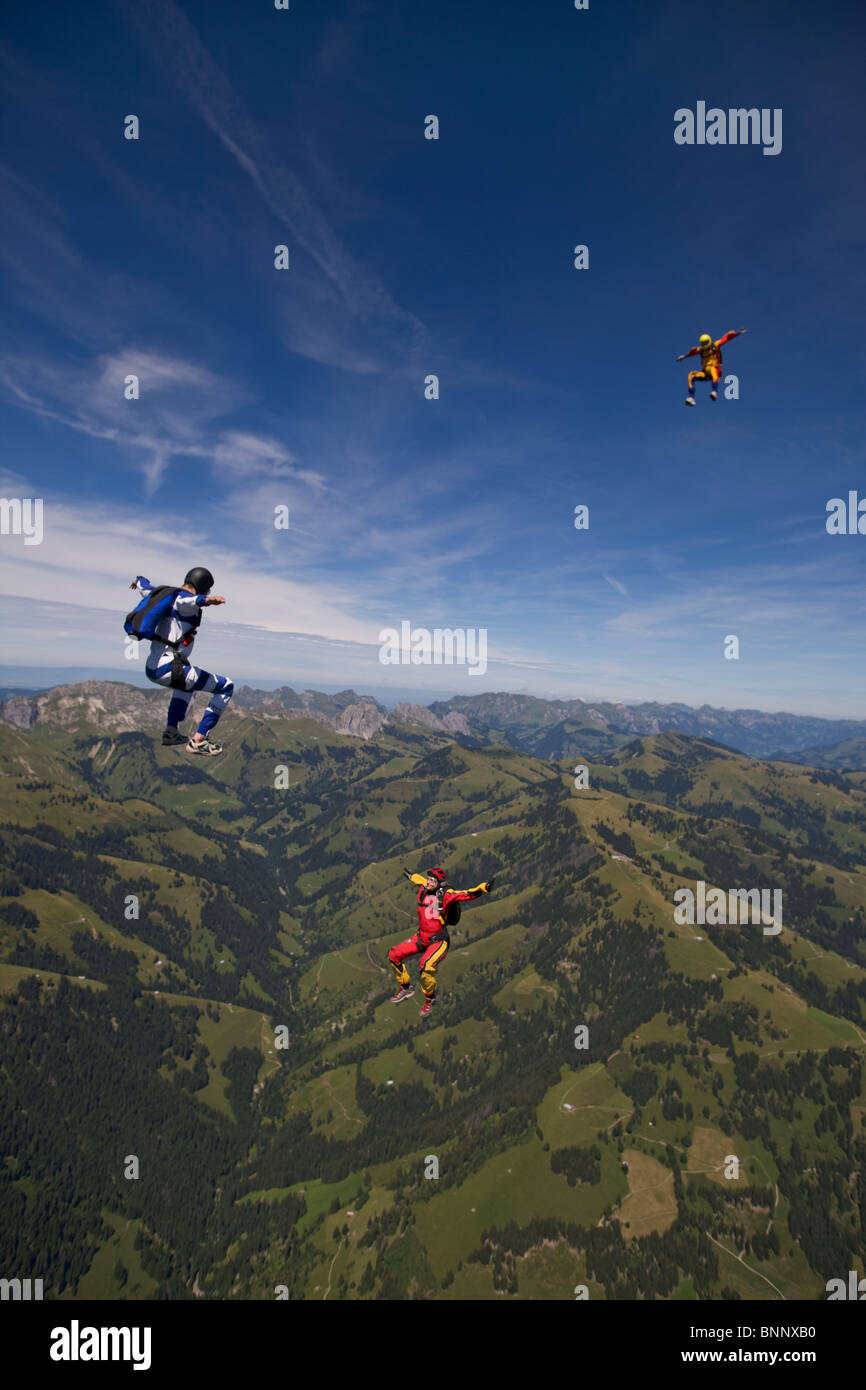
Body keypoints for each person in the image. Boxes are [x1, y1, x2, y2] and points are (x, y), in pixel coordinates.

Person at [129, 567, 233, 755]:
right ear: (202, 587)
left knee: (188, 683)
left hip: (154, 667)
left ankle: (171, 731)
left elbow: (144, 586)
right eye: (207, 590)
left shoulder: (162, 595)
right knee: (226, 686)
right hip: (169, 667)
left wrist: (138, 580)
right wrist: (207, 601)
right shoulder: (184, 602)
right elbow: (190, 600)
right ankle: (199, 739)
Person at [389, 866, 496, 1018]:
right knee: (394, 955)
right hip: (422, 938)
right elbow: (418, 880)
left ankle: (429, 1000)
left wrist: (484, 888)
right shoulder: (424, 887)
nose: (429, 882)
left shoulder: (445, 895)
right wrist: (411, 876)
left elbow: (466, 894)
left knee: (425, 968)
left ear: (439, 883)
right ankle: (405, 988)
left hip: (438, 941)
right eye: (429, 879)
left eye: (433, 880)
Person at [677, 328, 746, 406]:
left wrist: (737, 333)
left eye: (706, 342)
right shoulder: (701, 350)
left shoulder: (715, 346)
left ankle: (714, 392)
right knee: (691, 375)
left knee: (713, 370)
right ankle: (691, 398)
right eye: (703, 343)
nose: (704, 345)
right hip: (705, 373)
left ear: (709, 341)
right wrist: (684, 356)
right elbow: (692, 353)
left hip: (716, 369)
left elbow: (725, 339)